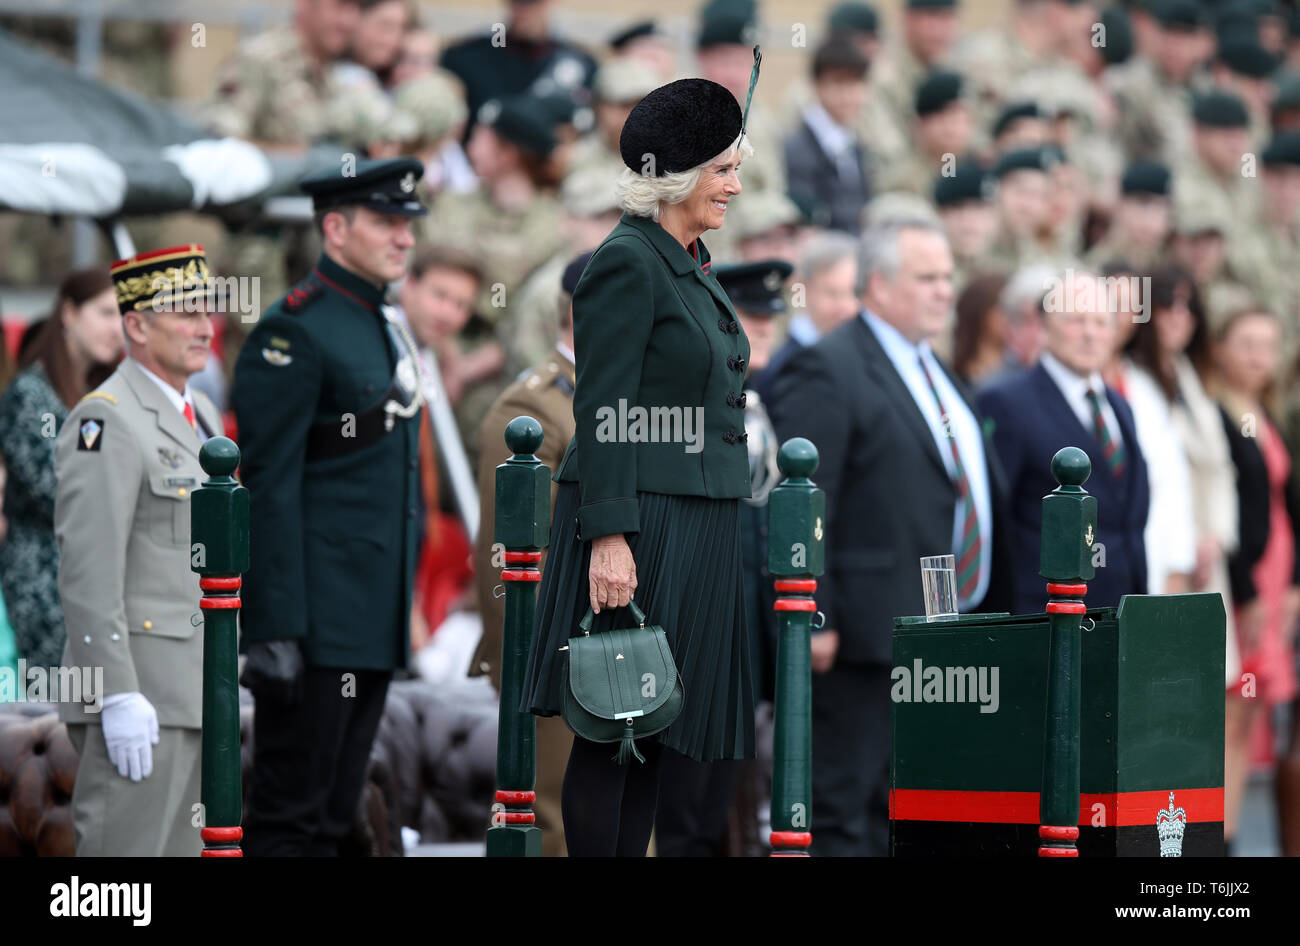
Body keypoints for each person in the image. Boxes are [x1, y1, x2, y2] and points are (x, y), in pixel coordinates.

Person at [518, 72, 760, 858]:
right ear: (681, 178)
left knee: (653, 728)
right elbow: (605, 407)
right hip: (645, 523)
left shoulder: (686, 260)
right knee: (613, 724)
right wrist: (610, 538)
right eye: (723, 168)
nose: (735, 182)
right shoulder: (627, 261)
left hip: (699, 520)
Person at [768, 218, 1013, 856]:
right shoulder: (830, 366)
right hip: (859, 638)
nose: (944, 291)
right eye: (927, 278)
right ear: (878, 284)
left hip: (939, 625)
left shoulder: (935, 369)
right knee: (844, 807)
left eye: (948, 277)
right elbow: (804, 495)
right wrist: (814, 614)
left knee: (903, 809)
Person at [232, 158, 425, 856]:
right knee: (294, 817)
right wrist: (273, 625)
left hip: (367, 615)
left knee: (341, 813)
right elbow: (268, 485)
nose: (403, 239)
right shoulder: (295, 330)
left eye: (408, 225)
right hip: (314, 623)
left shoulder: (378, 317)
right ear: (335, 227)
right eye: (385, 223)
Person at [55, 244, 222, 855]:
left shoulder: (199, 411)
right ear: (137, 325)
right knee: (121, 879)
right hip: (140, 689)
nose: (204, 326)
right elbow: (87, 573)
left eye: (208, 310)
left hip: (197, 684)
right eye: (186, 311)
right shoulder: (106, 422)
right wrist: (116, 692)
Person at [655, 258, 790, 857]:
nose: (761, 331)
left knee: (719, 807)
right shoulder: (688, 404)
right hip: (692, 625)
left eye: (768, 319)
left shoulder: (756, 404)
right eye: (747, 318)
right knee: (682, 806)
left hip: (743, 631)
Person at [472, 250, 585, 858]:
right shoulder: (532, 409)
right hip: (560, 658)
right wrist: (544, 668)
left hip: (624, 652)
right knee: (558, 818)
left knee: (622, 822)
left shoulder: (626, 403)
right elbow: (508, 561)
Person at [978, 269, 1150, 616]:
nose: (1089, 334)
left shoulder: (1120, 407)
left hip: (1120, 615)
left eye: (1101, 322)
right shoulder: (1005, 402)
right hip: (1046, 619)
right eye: (1075, 320)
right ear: (1043, 326)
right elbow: (994, 520)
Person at [0, 269, 122, 670]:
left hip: (96, 580)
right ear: (68, 313)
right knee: (57, 712)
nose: (117, 327)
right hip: (43, 583)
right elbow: (57, 489)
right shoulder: (30, 396)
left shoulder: (104, 395)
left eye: (122, 315)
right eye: (105, 312)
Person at [1214, 305, 1300, 855]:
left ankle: (1233, 834)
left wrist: (1291, 585)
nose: (1257, 357)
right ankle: (1219, 839)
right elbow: (1228, 513)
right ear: (1220, 346)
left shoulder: (1264, 413)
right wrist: (1246, 589)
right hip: (1244, 584)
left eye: (1267, 346)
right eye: (1246, 343)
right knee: (1232, 709)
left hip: (1276, 584)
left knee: (1251, 713)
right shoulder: (1216, 413)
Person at [439, 0, 597, 145]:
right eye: (518, 2)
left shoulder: (580, 63)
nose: (523, 11)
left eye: (532, 3)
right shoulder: (466, 58)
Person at [752, 231, 859, 402]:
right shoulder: (788, 366)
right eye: (832, 294)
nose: (846, 307)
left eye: (854, 293)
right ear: (803, 288)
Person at [782, 36, 872, 234]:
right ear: (817, 85)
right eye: (838, 83)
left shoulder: (858, 144)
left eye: (855, 83)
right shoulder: (797, 148)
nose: (848, 95)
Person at [951, 271, 1011, 388]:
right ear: (983, 314)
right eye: (1006, 309)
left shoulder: (1022, 370)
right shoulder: (953, 378)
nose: (1013, 317)